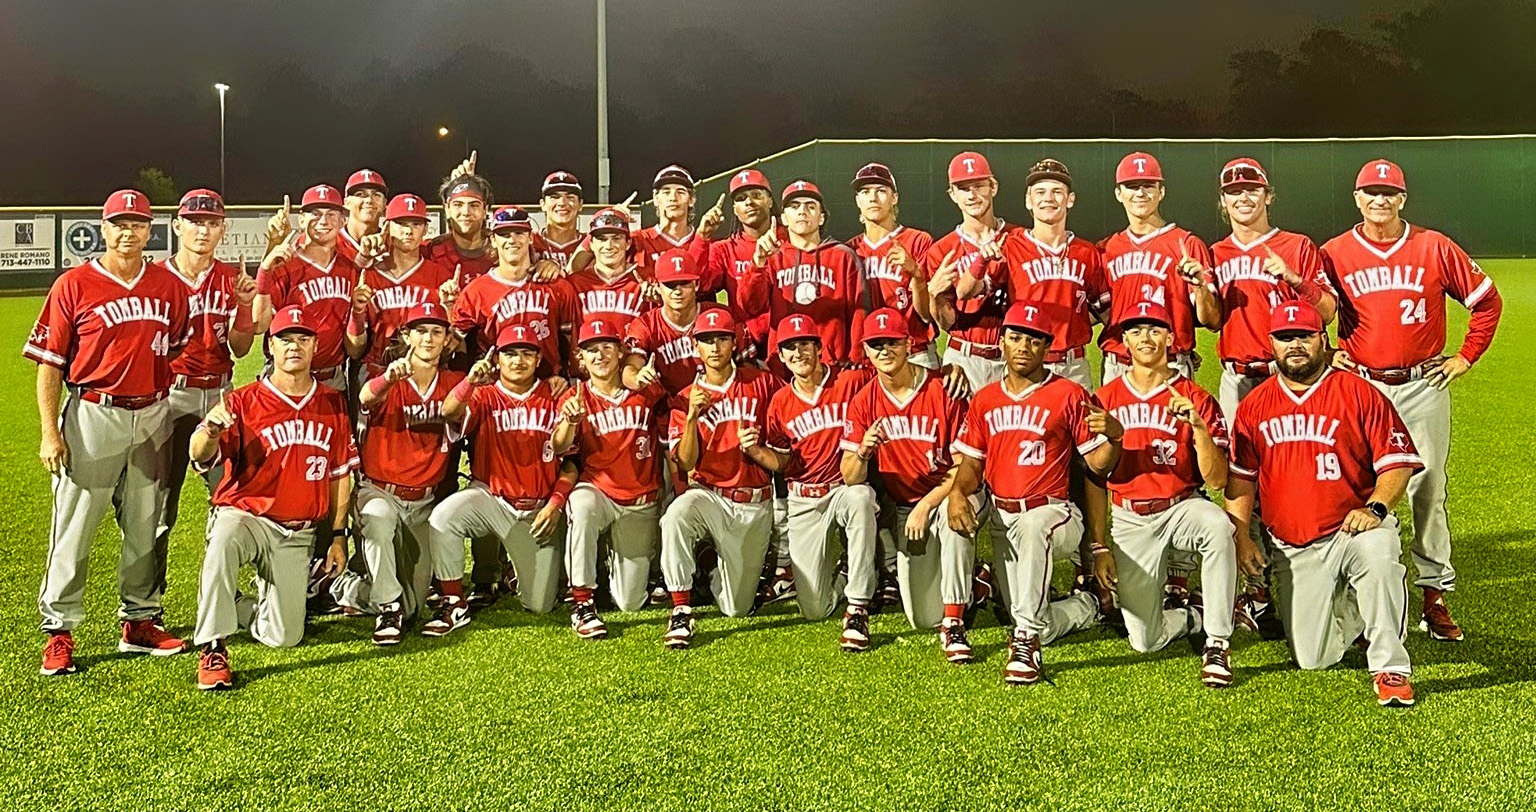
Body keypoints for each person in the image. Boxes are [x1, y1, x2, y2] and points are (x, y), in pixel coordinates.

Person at [1321, 158, 1504, 643]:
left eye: (1389, 193)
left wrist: (1466, 355)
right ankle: (1357, 593)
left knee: (1428, 490)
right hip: (1362, 384)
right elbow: (1308, 309)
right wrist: (1327, 354)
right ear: (1357, 199)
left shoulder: (1433, 245)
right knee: (1358, 486)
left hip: (1423, 385)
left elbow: (1487, 301)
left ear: (1403, 199)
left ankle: (1434, 594)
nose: (1380, 200)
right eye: (1370, 192)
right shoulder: (1335, 252)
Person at [25, 189, 194, 676]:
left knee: (145, 523)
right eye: (119, 223)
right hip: (93, 414)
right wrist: (49, 431)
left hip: (153, 414)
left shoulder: (168, 285)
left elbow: (179, 344)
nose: (128, 231)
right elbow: (50, 365)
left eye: (138, 223)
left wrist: (157, 387)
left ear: (149, 230)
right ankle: (59, 629)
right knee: (75, 526)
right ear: (104, 228)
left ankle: (139, 621)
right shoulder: (74, 284)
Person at [1227, 300, 1422, 707]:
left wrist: (1377, 509)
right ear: (1272, 344)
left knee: (1379, 552)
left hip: (1354, 528)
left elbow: (1397, 464)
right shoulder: (1254, 406)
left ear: (1323, 339)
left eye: (1304, 336)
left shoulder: (1358, 393)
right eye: (1285, 337)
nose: (1295, 345)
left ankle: (1390, 666)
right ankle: (1357, 605)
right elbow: (1241, 480)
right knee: (1314, 658)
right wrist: (1242, 537)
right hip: (1293, 545)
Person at [948, 302, 1123, 684]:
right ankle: (1085, 606)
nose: (1023, 346)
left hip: (1054, 514)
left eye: (1034, 340)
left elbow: (1097, 466)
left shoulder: (1069, 394)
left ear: (1047, 348)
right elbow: (973, 463)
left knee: (1032, 533)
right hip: (1002, 517)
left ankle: (1026, 643)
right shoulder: (985, 399)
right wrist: (959, 492)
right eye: (1015, 338)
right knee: (1030, 610)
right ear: (1002, 343)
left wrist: (1115, 435)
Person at [188, 306, 358, 690]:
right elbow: (198, 454)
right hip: (247, 517)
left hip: (296, 533)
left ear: (315, 347)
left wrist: (337, 536)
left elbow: (339, 476)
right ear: (270, 346)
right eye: (284, 339)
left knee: (283, 637)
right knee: (225, 536)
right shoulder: (243, 401)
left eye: (302, 339)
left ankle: (235, 605)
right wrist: (210, 430)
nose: (294, 346)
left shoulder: (332, 404)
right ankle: (213, 646)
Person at [1209, 157, 1337, 630]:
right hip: (1238, 378)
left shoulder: (1297, 245)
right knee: (1242, 479)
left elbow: (1326, 311)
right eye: (1234, 192)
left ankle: (1315, 571)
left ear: (1268, 196)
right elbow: (1209, 318)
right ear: (1223, 202)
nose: (1244, 198)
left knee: (1304, 473)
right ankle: (1255, 588)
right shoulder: (1215, 252)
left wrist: (1293, 277)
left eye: (1252, 190)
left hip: (1294, 377)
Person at [1093, 301, 1238, 687]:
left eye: (1155, 330)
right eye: (1137, 331)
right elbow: (1093, 475)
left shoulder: (1196, 397)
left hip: (1182, 507)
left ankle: (1218, 641)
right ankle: (1194, 617)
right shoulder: (1104, 398)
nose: (1146, 337)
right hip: (1129, 516)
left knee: (1217, 527)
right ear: (1123, 340)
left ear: (1171, 338)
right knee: (1145, 640)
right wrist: (1098, 545)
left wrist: (1200, 429)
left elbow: (1219, 479)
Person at [425, 324, 576, 636]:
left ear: (537, 360)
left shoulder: (558, 395)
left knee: (539, 605)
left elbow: (572, 462)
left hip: (538, 508)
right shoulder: (485, 394)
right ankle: (453, 600)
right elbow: (449, 411)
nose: (517, 360)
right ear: (497, 360)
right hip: (491, 499)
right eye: (509, 353)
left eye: (526, 353)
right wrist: (468, 382)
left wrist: (556, 504)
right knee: (443, 517)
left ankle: (514, 571)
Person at [840, 309, 973, 662]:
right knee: (921, 617)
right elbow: (850, 476)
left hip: (948, 494)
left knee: (952, 513)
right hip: (905, 508)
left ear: (909, 344)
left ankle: (956, 623)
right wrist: (864, 453)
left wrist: (927, 505)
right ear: (866, 351)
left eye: (893, 343)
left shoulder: (943, 389)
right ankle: (977, 582)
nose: (884, 351)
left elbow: (963, 467)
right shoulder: (864, 401)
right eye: (876, 345)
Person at [330, 302, 464, 643]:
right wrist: (389, 377)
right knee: (376, 518)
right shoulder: (387, 377)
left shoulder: (454, 383)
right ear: (407, 336)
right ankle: (387, 608)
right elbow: (365, 397)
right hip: (380, 492)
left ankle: (347, 588)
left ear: (447, 338)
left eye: (437, 331)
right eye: (421, 331)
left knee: (415, 606)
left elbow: (476, 400)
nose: (429, 339)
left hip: (423, 500)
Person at [748, 315, 879, 651]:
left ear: (820, 348)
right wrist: (754, 451)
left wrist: (949, 371)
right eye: (789, 347)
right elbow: (783, 462)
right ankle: (844, 575)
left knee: (861, 497)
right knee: (815, 609)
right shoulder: (780, 402)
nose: (798, 352)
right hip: (804, 498)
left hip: (844, 488)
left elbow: (894, 380)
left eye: (805, 344)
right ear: (781, 356)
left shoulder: (853, 380)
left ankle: (858, 606)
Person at [658, 309, 782, 649]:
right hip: (709, 495)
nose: (714, 347)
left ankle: (709, 565)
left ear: (734, 342)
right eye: (706, 340)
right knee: (676, 515)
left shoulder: (761, 382)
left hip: (754, 501)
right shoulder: (685, 397)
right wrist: (692, 418)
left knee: (736, 608)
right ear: (695, 346)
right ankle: (681, 610)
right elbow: (684, 463)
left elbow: (785, 426)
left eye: (721, 339)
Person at [157, 189, 258, 588]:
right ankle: (146, 610)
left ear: (223, 230)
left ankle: (226, 594)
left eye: (212, 222)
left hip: (219, 393)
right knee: (158, 507)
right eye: (195, 221)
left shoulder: (232, 278)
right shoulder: (157, 278)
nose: (203, 229)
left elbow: (240, 347)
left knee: (232, 496)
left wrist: (245, 306)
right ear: (177, 225)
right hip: (169, 396)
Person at [552, 317, 666, 638]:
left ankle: (614, 567)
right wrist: (569, 422)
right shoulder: (576, 398)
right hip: (599, 491)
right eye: (591, 350)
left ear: (620, 353)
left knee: (630, 602)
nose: (599, 356)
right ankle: (582, 601)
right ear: (581, 360)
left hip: (640, 500)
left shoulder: (646, 391)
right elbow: (559, 446)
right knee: (581, 504)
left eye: (606, 347)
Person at [956, 159, 1108, 389]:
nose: (1048, 198)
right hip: (1025, 366)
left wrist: (1073, 320)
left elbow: (1104, 309)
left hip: (1073, 366)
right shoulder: (1011, 246)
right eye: (1040, 192)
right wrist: (980, 261)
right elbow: (965, 292)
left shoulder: (1087, 252)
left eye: (1057, 191)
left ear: (1070, 200)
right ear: (1029, 200)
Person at [1096, 152, 1221, 381]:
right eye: (1132, 186)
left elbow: (1212, 322)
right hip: (1119, 365)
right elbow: (1098, 312)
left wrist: (1201, 287)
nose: (1140, 193)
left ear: (1161, 192)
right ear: (1118, 194)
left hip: (1171, 364)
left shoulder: (1188, 244)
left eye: (1148, 186)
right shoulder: (1107, 249)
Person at [746, 179, 866, 369]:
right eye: (794, 206)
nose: (802, 211)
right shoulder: (772, 258)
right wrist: (758, 264)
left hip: (833, 366)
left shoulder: (843, 256)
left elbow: (859, 312)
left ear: (821, 217)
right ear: (784, 218)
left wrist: (856, 358)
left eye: (810, 206)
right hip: (785, 367)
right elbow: (751, 306)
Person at [253, 184, 361, 391]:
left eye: (331, 213)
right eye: (315, 213)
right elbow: (259, 325)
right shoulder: (284, 262)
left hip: (333, 378)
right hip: (286, 378)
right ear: (301, 219)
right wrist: (266, 270)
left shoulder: (348, 267)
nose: (323, 221)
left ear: (342, 221)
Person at [927, 151, 1019, 391]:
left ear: (993, 187)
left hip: (1015, 358)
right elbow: (947, 324)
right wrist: (934, 296)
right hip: (963, 357)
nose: (972, 195)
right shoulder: (942, 250)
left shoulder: (1019, 239)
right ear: (953, 195)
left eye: (979, 185)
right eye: (963, 188)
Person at [350, 193, 454, 378]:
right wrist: (357, 312)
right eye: (401, 223)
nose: (408, 231)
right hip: (377, 370)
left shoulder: (440, 276)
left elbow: (450, 339)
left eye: (416, 224)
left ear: (425, 229)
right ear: (387, 227)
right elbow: (354, 350)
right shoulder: (369, 276)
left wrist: (450, 308)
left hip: (425, 373)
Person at [848, 163, 938, 368]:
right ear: (857, 200)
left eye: (881, 191)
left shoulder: (918, 241)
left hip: (914, 351)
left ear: (894, 198)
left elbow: (926, 314)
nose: (873, 198)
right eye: (865, 192)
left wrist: (916, 273)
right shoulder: (850, 250)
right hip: (871, 355)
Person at [688, 168, 782, 354]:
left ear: (770, 200)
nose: (749, 202)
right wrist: (702, 236)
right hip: (747, 349)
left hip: (791, 342)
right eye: (741, 198)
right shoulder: (725, 249)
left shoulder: (791, 242)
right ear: (735, 210)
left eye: (756, 195)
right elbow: (699, 284)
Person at [423, 153, 497, 285]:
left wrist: (546, 264)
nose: (466, 212)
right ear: (447, 209)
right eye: (458, 205)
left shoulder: (502, 248)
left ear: (485, 209)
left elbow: (539, 244)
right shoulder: (430, 251)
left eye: (474, 205)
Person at [533, 170, 587, 269]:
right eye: (554, 197)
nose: (562, 203)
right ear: (543, 204)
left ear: (580, 204)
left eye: (570, 197)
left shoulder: (593, 244)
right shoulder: (529, 242)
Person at [336, 168, 388, 267]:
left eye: (376, 195)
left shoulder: (394, 245)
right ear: (346, 202)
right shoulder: (329, 243)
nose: (369, 200)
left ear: (384, 203)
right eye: (360, 194)